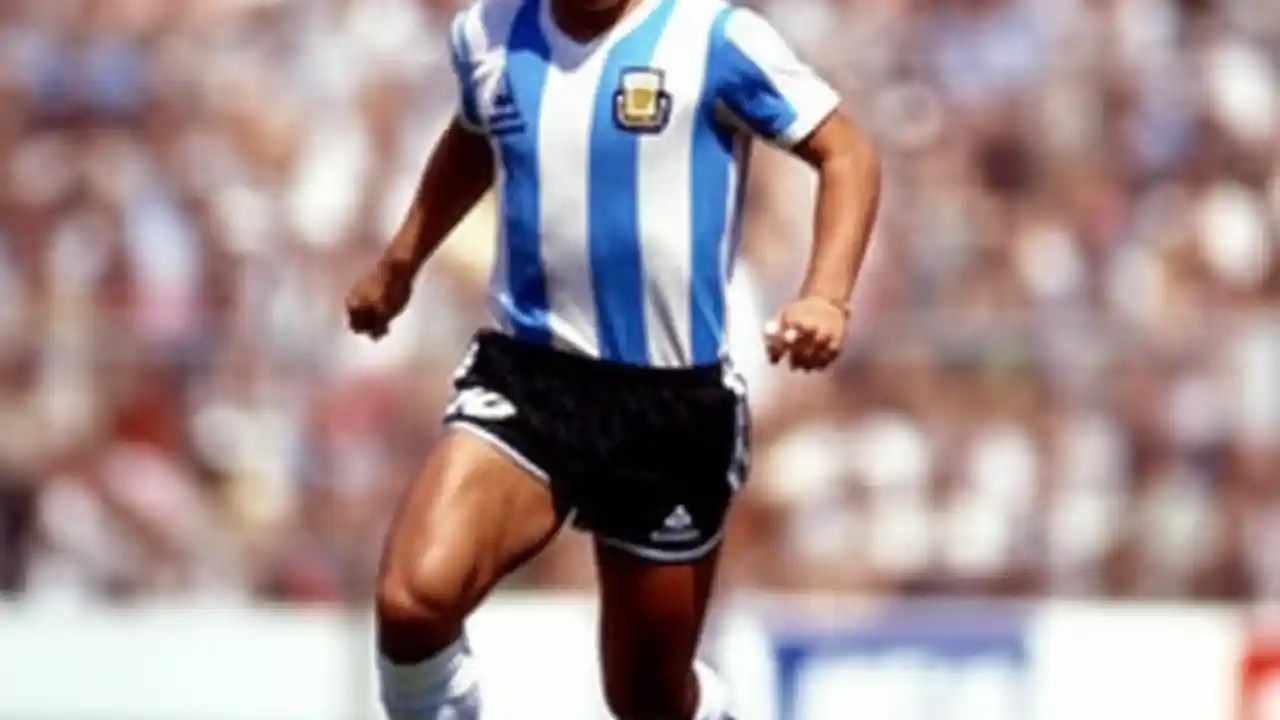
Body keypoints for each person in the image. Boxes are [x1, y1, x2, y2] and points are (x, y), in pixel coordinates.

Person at [345, 0, 880, 716]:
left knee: (648, 697)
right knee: (413, 602)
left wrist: (827, 296)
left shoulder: (714, 36)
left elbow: (847, 152)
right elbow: (477, 131)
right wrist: (400, 262)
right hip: (530, 378)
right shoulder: (489, 32)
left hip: (671, 406)